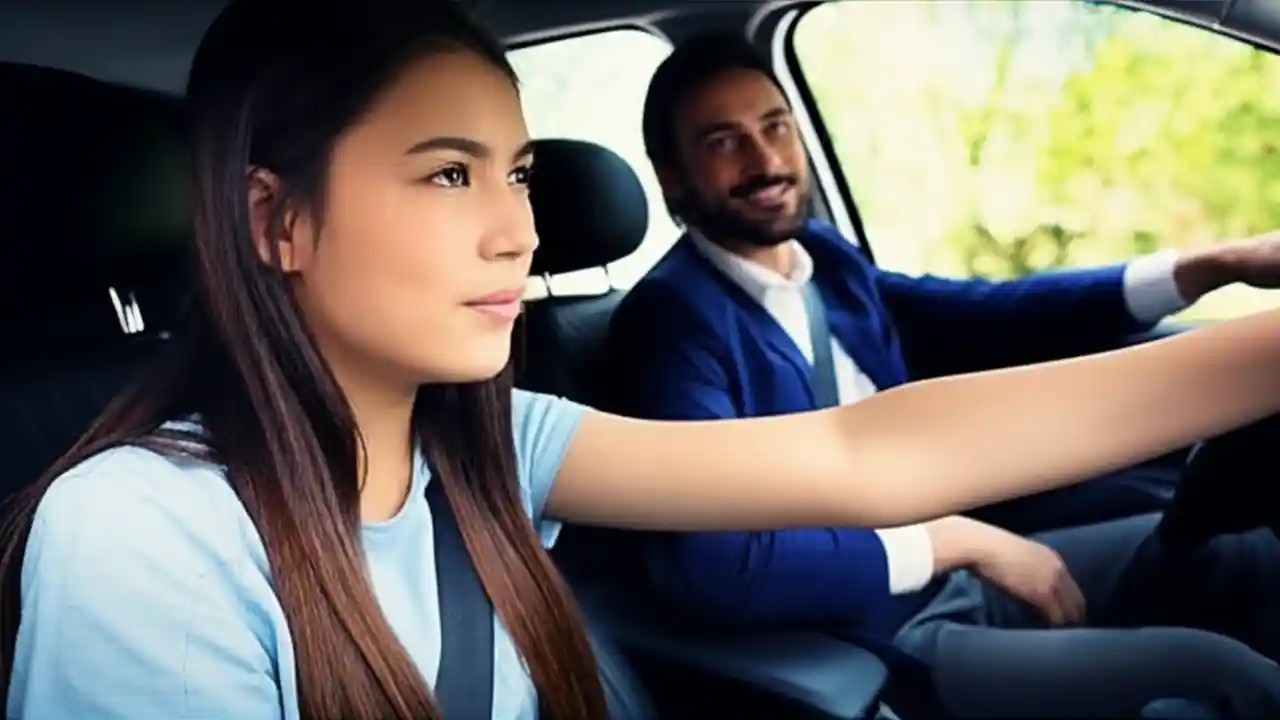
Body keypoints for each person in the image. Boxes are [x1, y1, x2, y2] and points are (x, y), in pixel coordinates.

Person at [4, 3, 1280, 720]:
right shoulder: (135, 533)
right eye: (447, 173)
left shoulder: (492, 439)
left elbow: (862, 451)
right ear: (276, 220)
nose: (521, 226)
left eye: (512, 172)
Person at [593, 31, 1280, 717]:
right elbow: (714, 563)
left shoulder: (820, 262)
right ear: (673, 175)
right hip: (879, 631)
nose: (766, 159)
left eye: (775, 127)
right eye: (723, 141)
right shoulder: (670, 325)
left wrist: (1206, 269)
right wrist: (958, 540)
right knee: (1220, 676)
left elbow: (985, 317)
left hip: (956, 568)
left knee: (1237, 554)